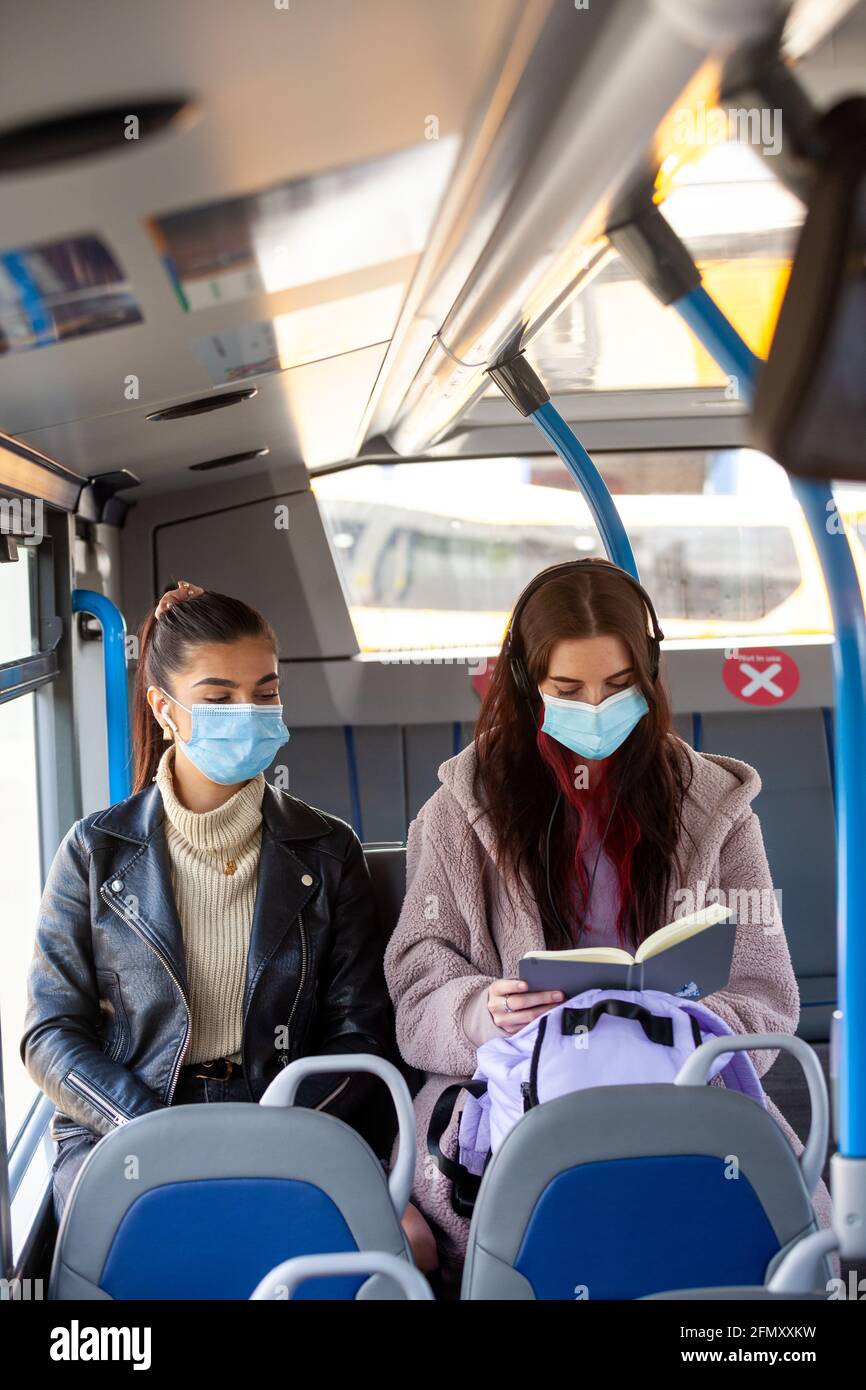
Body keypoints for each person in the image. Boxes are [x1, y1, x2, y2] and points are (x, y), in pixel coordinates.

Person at [384, 558, 834, 1292]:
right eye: (567, 691)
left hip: (683, 1089)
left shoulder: (715, 810)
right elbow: (417, 986)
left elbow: (764, 994)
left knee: (754, 1242)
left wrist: (680, 1028)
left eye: (617, 687)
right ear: (529, 688)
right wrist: (481, 1010)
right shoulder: (457, 814)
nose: (594, 709)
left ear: (648, 677)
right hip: (520, 1095)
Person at [21, 581, 437, 1274]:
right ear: (165, 709)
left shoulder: (327, 850)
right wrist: (152, 1128)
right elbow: (50, 1034)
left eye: (264, 693)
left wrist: (283, 1126)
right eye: (218, 699)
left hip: (294, 1113)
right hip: (129, 1123)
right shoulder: (94, 854)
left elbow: (360, 1026)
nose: (248, 714)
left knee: (406, 1249)